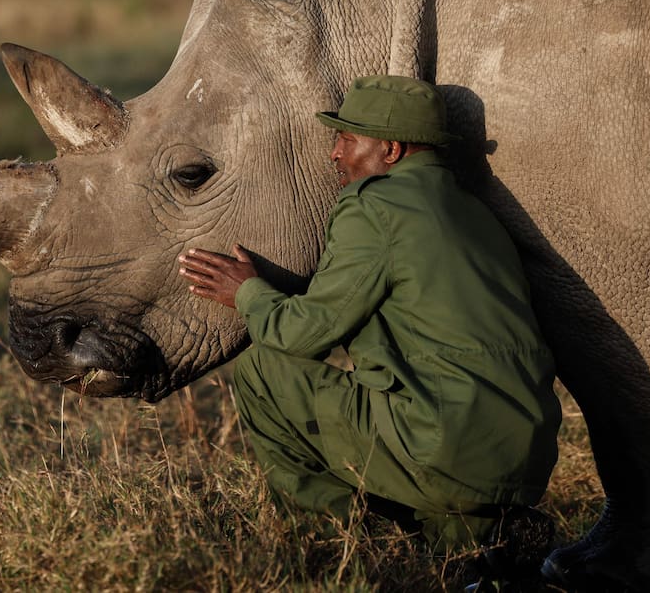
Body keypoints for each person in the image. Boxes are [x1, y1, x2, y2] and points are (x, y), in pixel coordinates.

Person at [178, 76, 562, 567]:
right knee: (458, 538)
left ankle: (356, 544)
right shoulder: (476, 211)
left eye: (346, 139)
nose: (335, 154)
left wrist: (247, 292)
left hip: (441, 449)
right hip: (525, 461)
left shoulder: (375, 205)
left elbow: (304, 335)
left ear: (391, 150)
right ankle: (475, 536)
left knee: (264, 371)